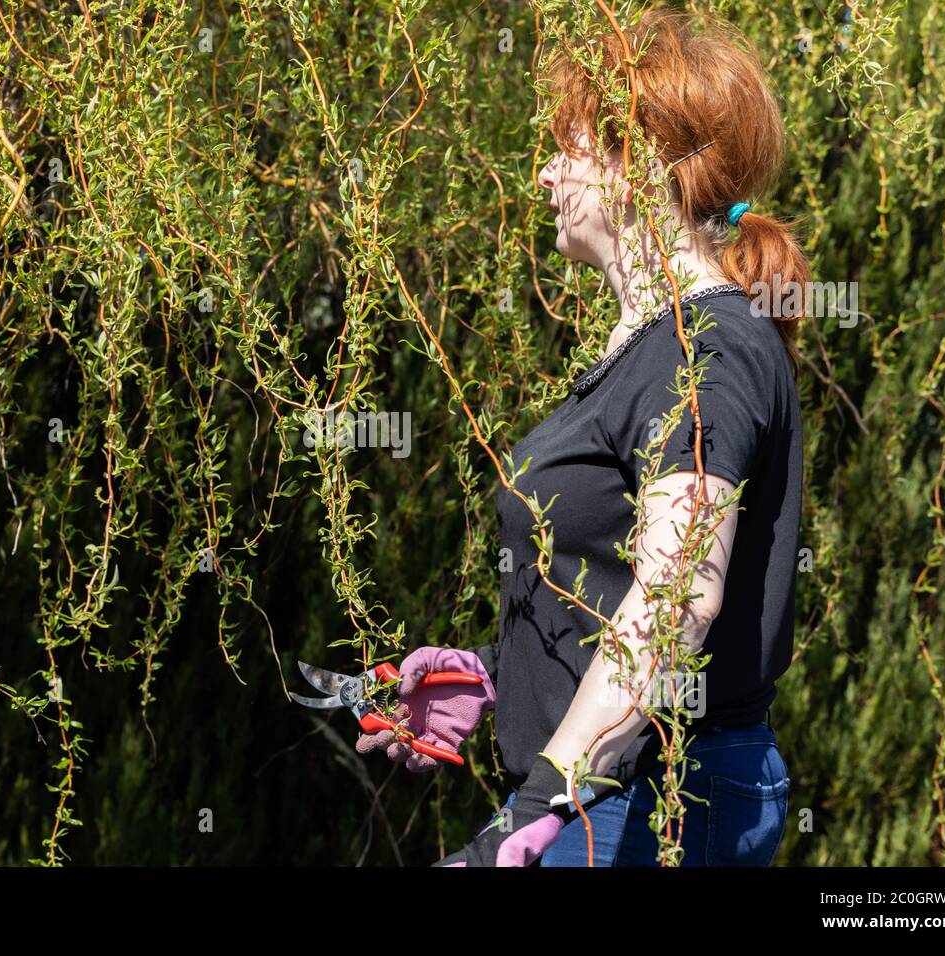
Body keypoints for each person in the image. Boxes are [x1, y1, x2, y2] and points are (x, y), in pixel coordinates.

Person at [356, 7, 804, 867]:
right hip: (609, 792)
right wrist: (494, 677)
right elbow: (608, 586)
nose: (545, 179)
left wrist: (541, 799)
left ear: (635, 167)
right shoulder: (651, 347)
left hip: (655, 800)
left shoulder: (706, 352)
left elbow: (676, 603)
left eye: (567, 152)